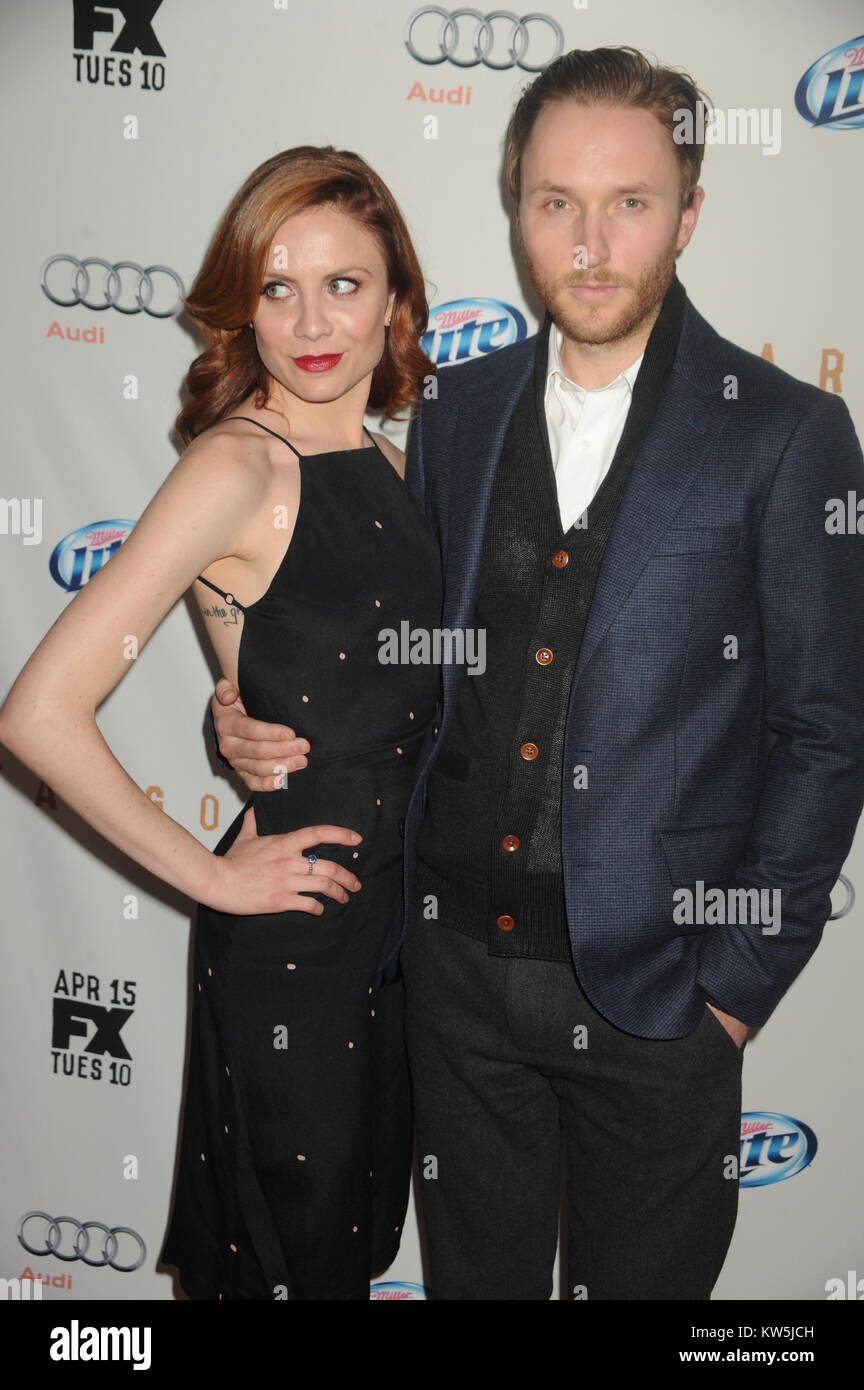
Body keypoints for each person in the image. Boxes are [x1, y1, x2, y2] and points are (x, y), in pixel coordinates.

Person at [208, 48, 864, 1300]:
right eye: (556, 201)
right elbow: (384, 653)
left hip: (664, 1004)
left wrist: (732, 992)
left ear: (689, 209)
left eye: (631, 201)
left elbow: (828, 732)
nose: (592, 241)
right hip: (454, 987)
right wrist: (243, 710)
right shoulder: (455, 408)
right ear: (516, 209)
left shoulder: (786, 433)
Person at [0, 146, 442, 1301]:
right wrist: (212, 876)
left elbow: (330, 679)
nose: (311, 320)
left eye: (345, 284)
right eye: (277, 284)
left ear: (396, 296)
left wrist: (231, 708)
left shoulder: (396, 462)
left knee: (344, 1257)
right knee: (284, 1266)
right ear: (243, 300)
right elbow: (39, 712)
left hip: (397, 946)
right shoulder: (240, 464)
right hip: (296, 948)